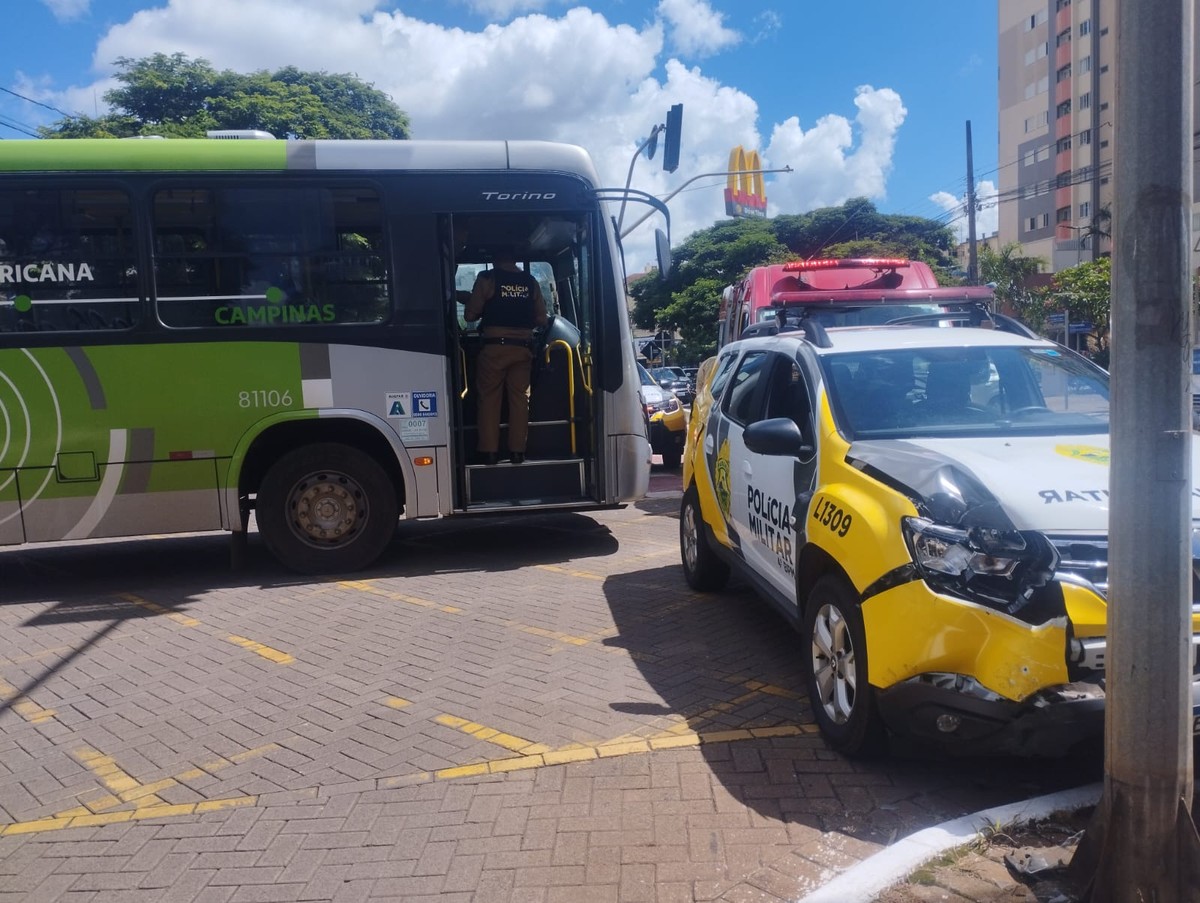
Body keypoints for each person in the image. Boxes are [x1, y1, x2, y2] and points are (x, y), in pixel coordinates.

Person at [464, 246, 548, 464]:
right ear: (513, 260)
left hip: (494, 350)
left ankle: (489, 453)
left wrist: (472, 300)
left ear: (495, 260)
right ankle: (517, 452)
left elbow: (470, 314)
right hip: (523, 349)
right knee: (520, 400)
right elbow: (541, 319)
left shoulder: (488, 278)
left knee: (489, 399)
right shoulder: (531, 282)